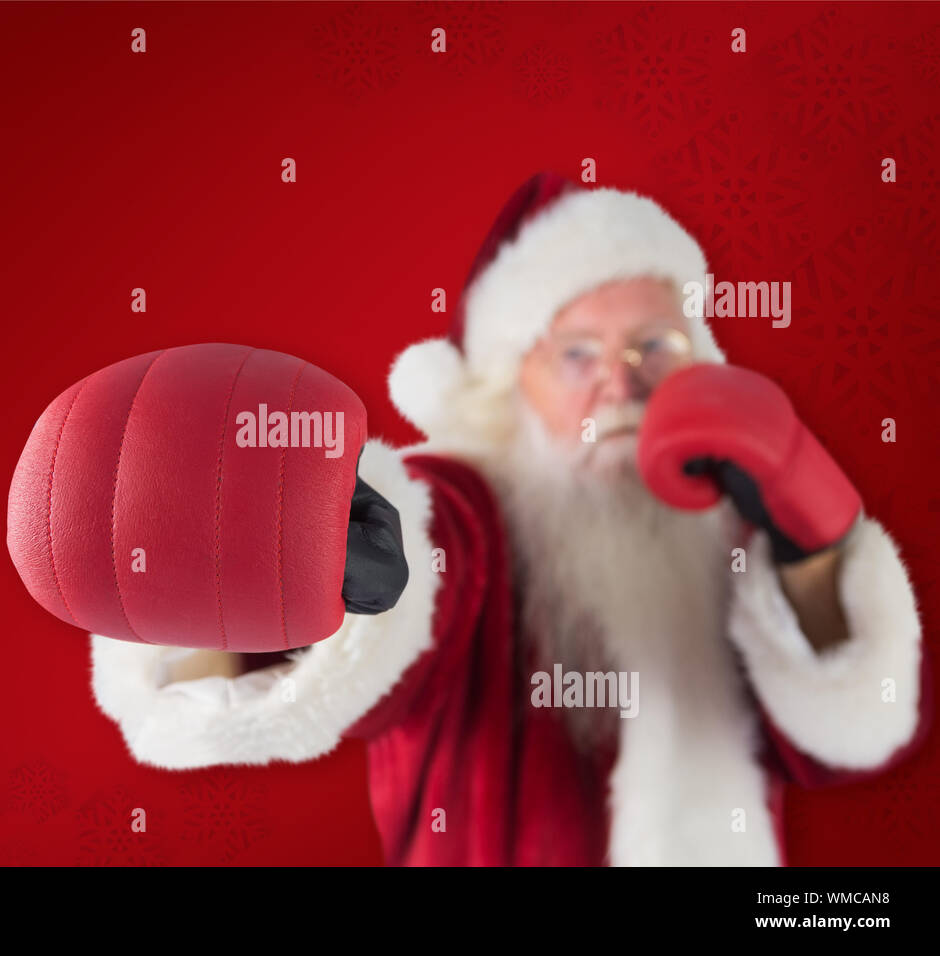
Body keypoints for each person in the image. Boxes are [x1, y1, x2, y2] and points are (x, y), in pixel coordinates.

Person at [87, 172, 930, 866]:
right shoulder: (464, 510)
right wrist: (307, 550)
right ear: (507, 380)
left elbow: (841, 744)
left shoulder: (732, 528)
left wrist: (812, 545)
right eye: (576, 353)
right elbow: (404, 584)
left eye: (655, 347)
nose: (620, 383)